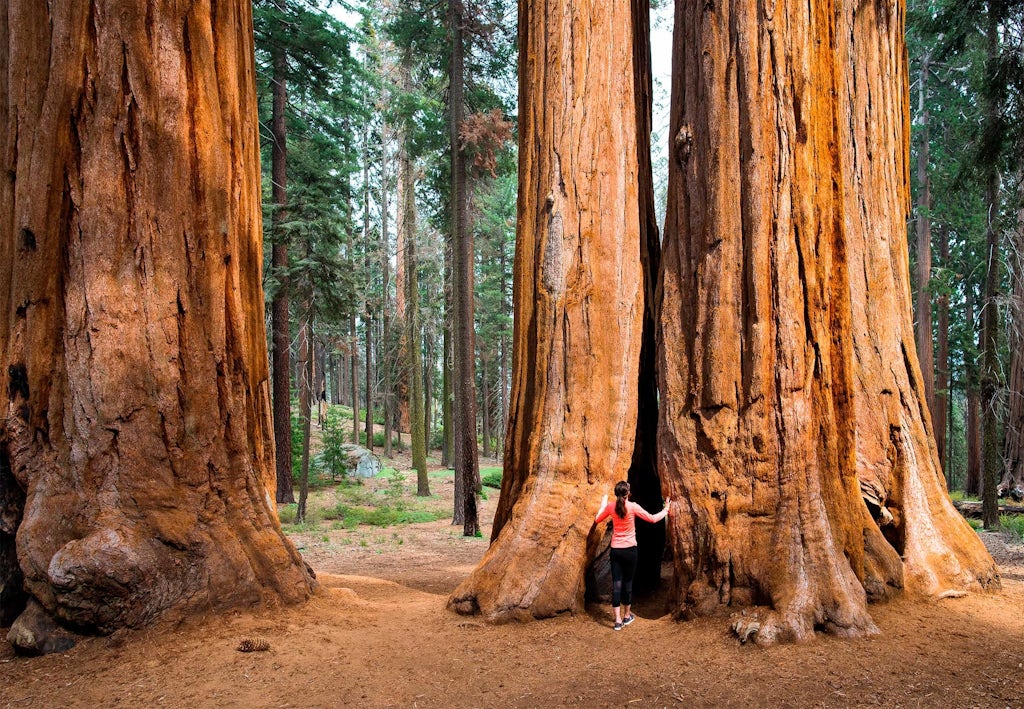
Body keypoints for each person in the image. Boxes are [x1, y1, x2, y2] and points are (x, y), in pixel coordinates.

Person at [594, 481, 671, 630]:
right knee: (628, 583)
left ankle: (617, 621)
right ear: (628, 493)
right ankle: (627, 616)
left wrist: (603, 503)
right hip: (630, 550)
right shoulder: (633, 506)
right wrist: (666, 509)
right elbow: (653, 519)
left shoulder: (611, 506)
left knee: (617, 584)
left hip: (616, 550)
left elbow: (597, 520)